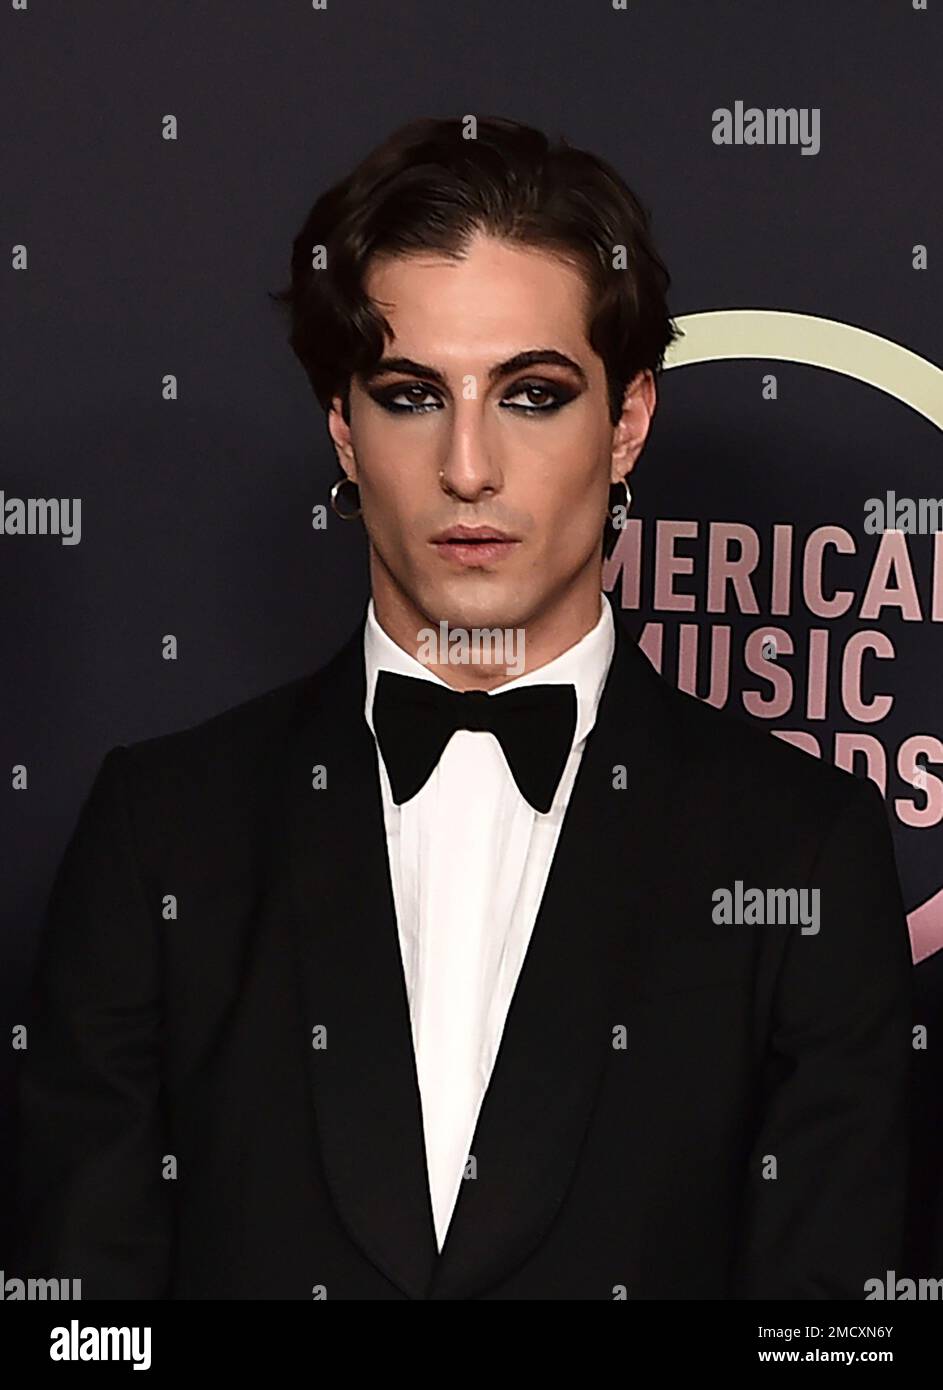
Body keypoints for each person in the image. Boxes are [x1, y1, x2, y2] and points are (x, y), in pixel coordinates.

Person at [14, 116, 913, 1299]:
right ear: (343, 424)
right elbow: (82, 1316)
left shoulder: (803, 845)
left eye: (533, 394)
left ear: (629, 420)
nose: (470, 465)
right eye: (410, 394)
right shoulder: (160, 830)